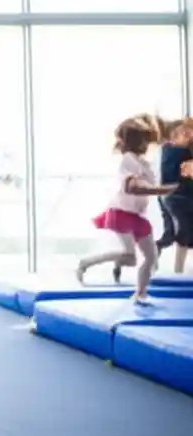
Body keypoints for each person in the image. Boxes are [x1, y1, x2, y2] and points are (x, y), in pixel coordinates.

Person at [75, 116, 173, 305]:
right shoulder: (128, 161)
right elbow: (132, 187)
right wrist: (165, 190)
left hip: (135, 215)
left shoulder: (141, 161)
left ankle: (140, 293)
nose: (147, 144)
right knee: (132, 256)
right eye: (144, 140)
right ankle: (85, 263)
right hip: (121, 213)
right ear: (136, 142)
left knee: (148, 256)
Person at [156, 118, 192, 275]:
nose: (189, 136)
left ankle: (156, 251)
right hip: (177, 198)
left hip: (170, 197)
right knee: (183, 233)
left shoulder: (170, 150)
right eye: (184, 133)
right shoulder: (178, 152)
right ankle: (178, 271)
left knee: (171, 235)